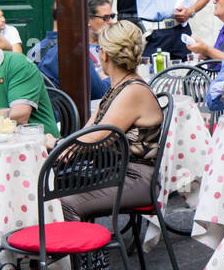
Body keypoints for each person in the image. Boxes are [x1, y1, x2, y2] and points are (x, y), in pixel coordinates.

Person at [60, 21, 164, 217]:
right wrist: (60, 146)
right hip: (113, 173)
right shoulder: (116, 88)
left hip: (135, 179)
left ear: (104, 54)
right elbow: (87, 132)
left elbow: (96, 138)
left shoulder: (133, 91)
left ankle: (79, 247)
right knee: (54, 188)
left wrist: (58, 145)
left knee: (63, 203)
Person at [36, 0, 109, 102]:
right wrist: (115, 76)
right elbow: (98, 92)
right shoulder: (75, 50)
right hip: (66, 115)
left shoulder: (37, 48)